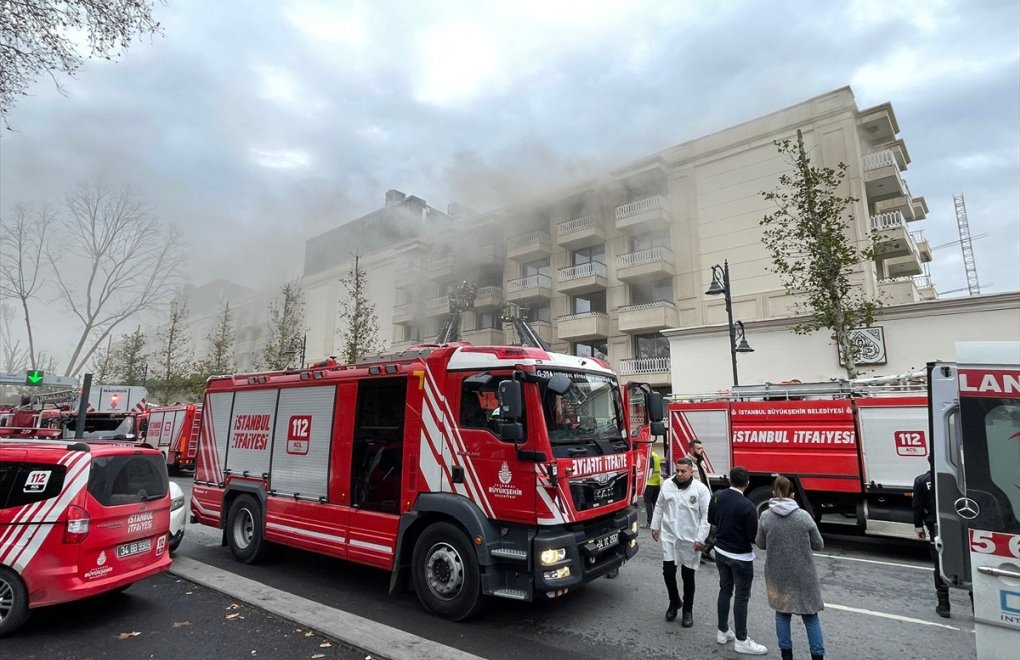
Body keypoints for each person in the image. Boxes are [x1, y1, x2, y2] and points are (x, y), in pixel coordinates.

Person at [756, 475, 825, 660]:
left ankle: (786, 655)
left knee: (782, 614)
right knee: (811, 618)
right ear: (793, 495)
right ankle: (817, 656)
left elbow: (760, 543)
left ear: (773, 493)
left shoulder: (765, 516)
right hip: (804, 576)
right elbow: (819, 544)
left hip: (777, 576)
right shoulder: (803, 516)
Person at [709, 467, 767, 655]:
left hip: (720, 551)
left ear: (729, 480)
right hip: (740, 556)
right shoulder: (747, 506)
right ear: (747, 484)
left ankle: (723, 630)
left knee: (725, 590)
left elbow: (712, 519)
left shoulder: (717, 496)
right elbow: (753, 536)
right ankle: (741, 639)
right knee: (742, 597)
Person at [651, 457, 711, 627]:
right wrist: (655, 526)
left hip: (690, 539)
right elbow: (659, 506)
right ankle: (674, 601)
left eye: (683, 471)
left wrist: (701, 538)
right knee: (668, 572)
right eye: (677, 470)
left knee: (687, 576)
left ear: (691, 471)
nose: (679, 474)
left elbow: (706, 516)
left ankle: (687, 610)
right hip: (670, 536)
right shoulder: (667, 485)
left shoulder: (701, 490)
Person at [913, 469, 951, 618]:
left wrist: (918, 527)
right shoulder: (954, 478)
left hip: (935, 527)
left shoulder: (921, 480)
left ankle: (944, 605)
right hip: (957, 526)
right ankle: (975, 605)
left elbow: (917, 506)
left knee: (939, 564)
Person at [687, 440, 716, 563]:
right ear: (691, 449)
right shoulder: (686, 463)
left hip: (707, 498)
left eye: (702, 448)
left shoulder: (700, 461)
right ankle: (695, 554)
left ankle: (705, 551)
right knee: (697, 528)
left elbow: (705, 480)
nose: (701, 450)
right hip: (696, 501)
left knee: (711, 527)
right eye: (699, 448)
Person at [643, 449, 663, 527]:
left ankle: (649, 522)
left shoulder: (649, 455)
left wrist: (645, 480)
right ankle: (659, 521)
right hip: (657, 482)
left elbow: (650, 469)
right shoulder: (656, 455)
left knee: (648, 502)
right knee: (656, 503)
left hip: (649, 483)